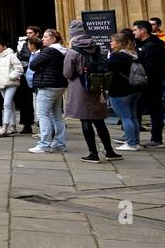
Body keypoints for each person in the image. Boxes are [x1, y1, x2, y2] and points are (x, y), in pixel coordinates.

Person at [63, 20, 121, 164]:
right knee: (99, 121)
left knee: (86, 119)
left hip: (80, 88)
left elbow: (67, 73)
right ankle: (110, 151)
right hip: (97, 86)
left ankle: (93, 153)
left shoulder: (73, 51)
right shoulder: (96, 47)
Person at [29, 27, 69, 154]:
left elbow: (33, 64)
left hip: (47, 85)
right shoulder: (63, 50)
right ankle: (59, 143)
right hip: (59, 85)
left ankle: (44, 144)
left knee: (42, 115)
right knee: (56, 115)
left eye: (46, 37)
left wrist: (41, 53)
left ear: (54, 39)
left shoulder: (49, 51)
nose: (42, 39)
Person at [133, 20, 165, 148]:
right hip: (143, 83)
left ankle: (156, 139)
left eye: (135, 30)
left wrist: (137, 63)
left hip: (151, 83)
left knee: (155, 111)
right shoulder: (142, 44)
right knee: (136, 108)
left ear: (143, 31)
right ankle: (133, 136)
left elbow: (151, 67)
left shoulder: (152, 46)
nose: (134, 32)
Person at [106, 31, 144, 152]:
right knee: (133, 117)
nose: (110, 43)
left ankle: (131, 143)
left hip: (119, 91)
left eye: (112, 41)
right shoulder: (133, 54)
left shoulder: (116, 56)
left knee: (126, 118)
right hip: (134, 89)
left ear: (118, 43)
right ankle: (135, 141)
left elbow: (107, 69)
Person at [0, 38, 23, 137]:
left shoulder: (11, 56)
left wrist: (11, 76)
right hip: (1, 84)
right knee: (10, 104)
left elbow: (19, 68)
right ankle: (13, 127)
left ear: (4, 47)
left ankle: (4, 126)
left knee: (6, 103)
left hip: (11, 83)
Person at [14, 25, 41, 134]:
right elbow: (20, 55)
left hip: (38, 74)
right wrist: (26, 54)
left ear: (37, 34)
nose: (28, 35)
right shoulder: (24, 44)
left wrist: (26, 55)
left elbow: (28, 55)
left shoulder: (41, 44)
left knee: (38, 99)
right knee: (25, 100)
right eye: (27, 33)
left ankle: (41, 123)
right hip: (26, 74)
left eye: (30, 33)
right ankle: (27, 124)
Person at [149, 16, 165, 129]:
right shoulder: (146, 38)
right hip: (152, 74)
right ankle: (158, 119)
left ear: (158, 25)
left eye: (153, 24)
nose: (151, 26)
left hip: (163, 72)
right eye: (149, 24)